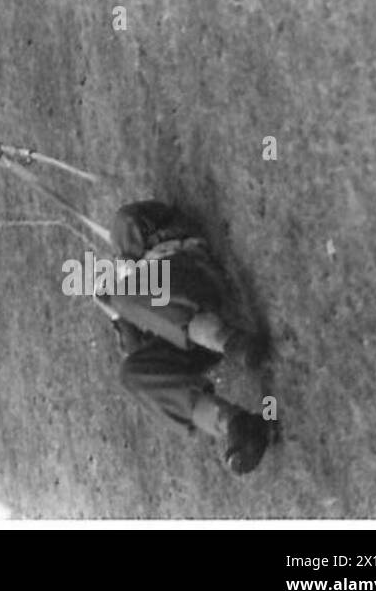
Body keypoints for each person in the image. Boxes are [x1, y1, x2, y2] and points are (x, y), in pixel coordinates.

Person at [92, 200, 274, 474]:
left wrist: (128, 266)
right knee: (133, 374)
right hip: (185, 336)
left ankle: (233, 342)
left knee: (125, 296)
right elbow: (136, 349)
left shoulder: (126, 231)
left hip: (192, 277)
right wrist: (117, 315)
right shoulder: (127, 298)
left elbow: (139, 217)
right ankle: (236, 425)